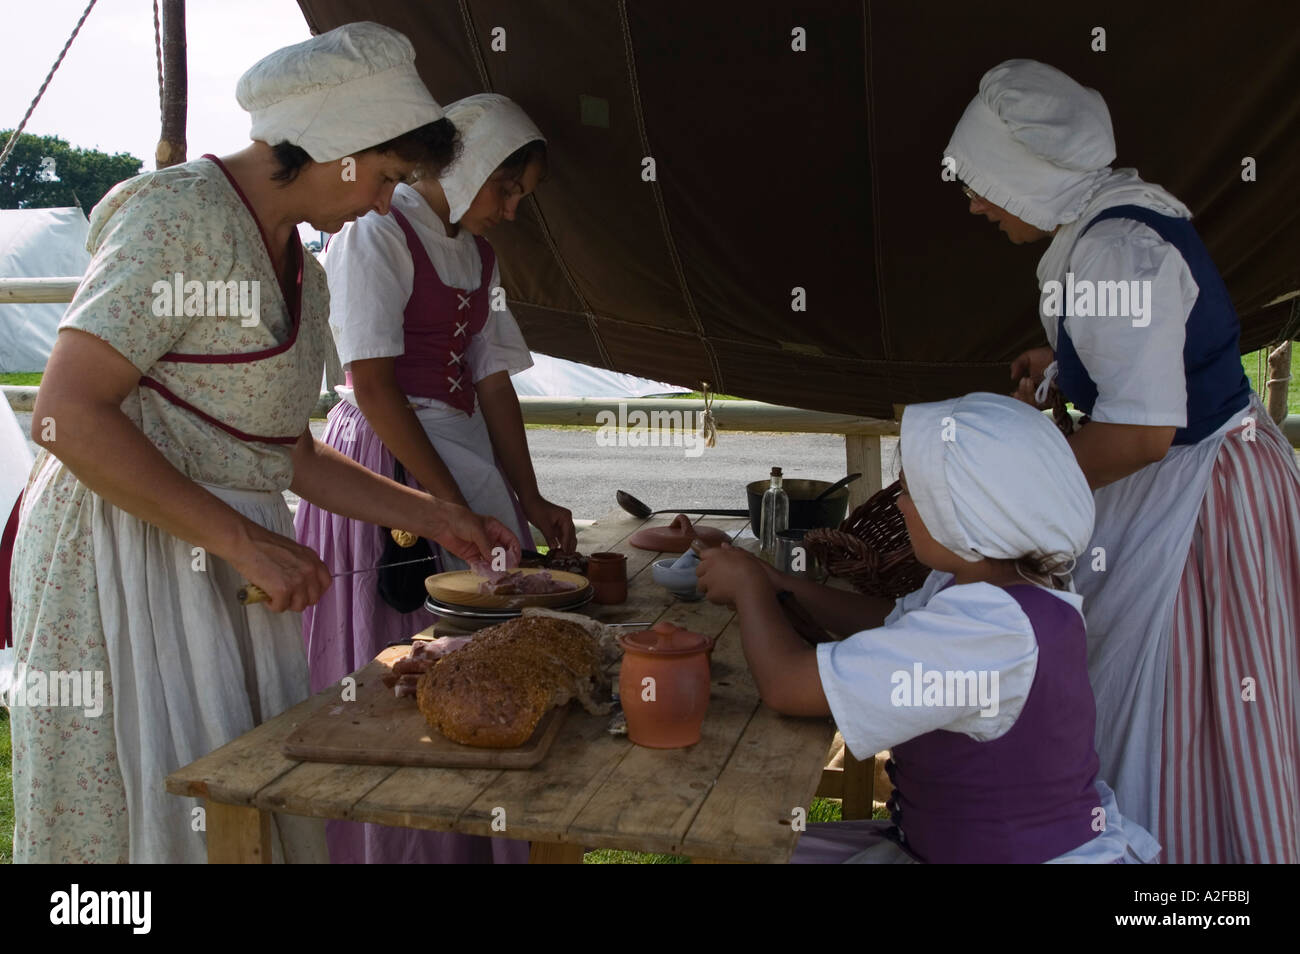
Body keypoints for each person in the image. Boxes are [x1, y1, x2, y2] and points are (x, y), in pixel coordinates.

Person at [6, 22, 519, 864]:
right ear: (334, 145)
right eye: (386, 177)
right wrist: (243, 540)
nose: (385, 202)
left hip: (223, 567)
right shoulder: (178, 215)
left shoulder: (304, 275)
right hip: (122, 558)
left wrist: (437, 514)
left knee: (239, 806)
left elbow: (286, 453)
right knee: (142, 807)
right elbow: (66, 415)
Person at [944, 59, 1300, 863]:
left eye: (979, 183)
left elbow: (1140, 435)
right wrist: (1069, 360)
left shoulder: (1113, 250)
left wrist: (1010, 490)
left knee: (1180, 698)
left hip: (1199, 504)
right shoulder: (1119, 214)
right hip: (1205, 473)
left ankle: (1187, 878)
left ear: (1023, 176)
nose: (971, 202)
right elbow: (1157, 345)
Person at [697, 392, 1159, 863]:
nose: (898, 505)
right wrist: (777, 582)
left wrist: (749, 590)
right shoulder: (1007, 585)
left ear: (968, 510)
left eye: (913, 492)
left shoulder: (988, 632)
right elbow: (890, 622)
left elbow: (786, 686)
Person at [293, 92, 571, 863]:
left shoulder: (479, 254)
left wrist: (528, 496)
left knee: (480, 650)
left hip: (461, 450)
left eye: (521, 197)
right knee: (400, 652)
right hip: (390, 460)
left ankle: (474, 834)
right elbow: (374, 384)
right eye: (506, 189)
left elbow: (492, 384)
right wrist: (443, 503)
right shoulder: (378, 233)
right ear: (469, 164)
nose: (510, 211)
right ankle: (390, 842)